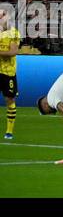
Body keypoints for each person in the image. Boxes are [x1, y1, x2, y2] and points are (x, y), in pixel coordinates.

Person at [0, 7, 19, 139]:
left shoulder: (14, 33)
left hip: (8, 72)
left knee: (9, 99)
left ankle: (9, 131)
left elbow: (12, 52)